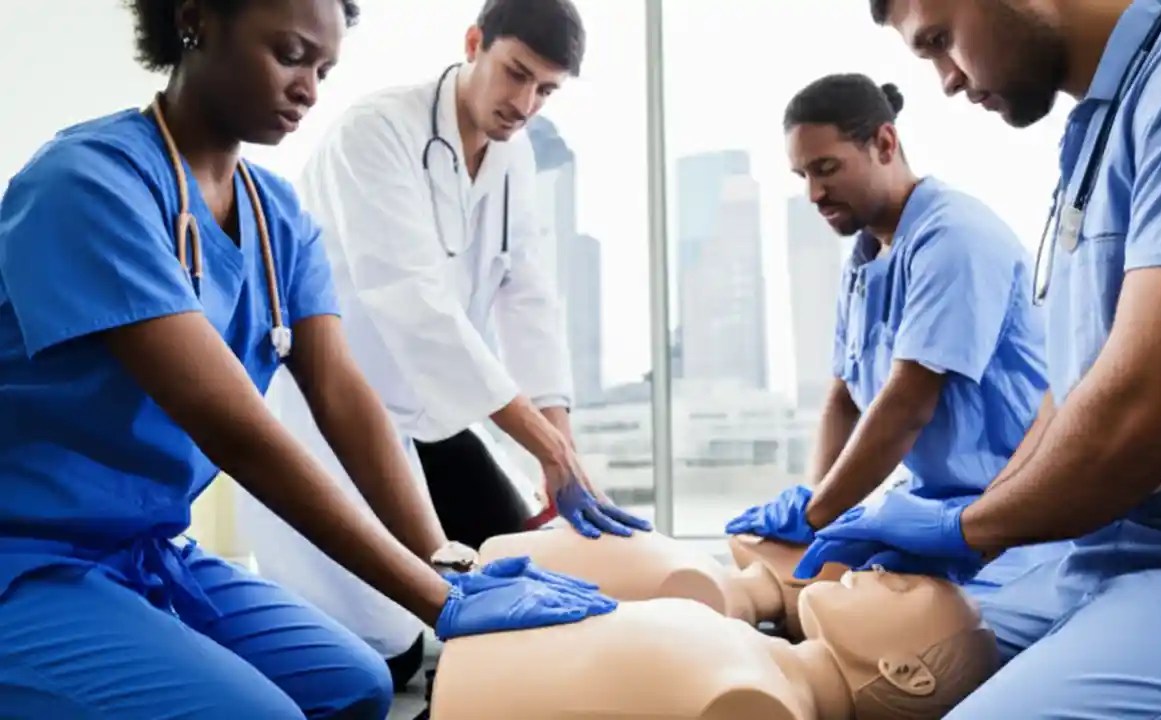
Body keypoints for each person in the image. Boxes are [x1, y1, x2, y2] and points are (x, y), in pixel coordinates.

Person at [0, 1, 617, 718]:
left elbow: (341, 390)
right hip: (26, 559)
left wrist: (445, 559)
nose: (310, 90)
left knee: (354, 685)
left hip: (145, 551)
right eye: (291, 56)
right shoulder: (88, 185)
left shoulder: (276, 215)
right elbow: (232, 427)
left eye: (324, 69)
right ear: (195, 20)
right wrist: (435, 597)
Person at [799, 0, 1161, 716]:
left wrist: (966, 528)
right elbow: (1073, 389)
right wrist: (980, 535)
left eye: (940, 42)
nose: (948, 81)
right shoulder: (1095, 137)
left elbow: (1145, 414)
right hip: (1098, 555)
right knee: (863, 672)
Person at [237, 0, 651, 688]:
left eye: (545, 90)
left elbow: (531, 298)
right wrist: (541, 446)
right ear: (473, 43)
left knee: (516, 562)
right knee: (384, 658)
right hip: (326, 419)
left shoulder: (513, 160)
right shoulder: (376, 133)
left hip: (426, 413)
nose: (524, 104)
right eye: (515, 74)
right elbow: (414, 307)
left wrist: (562, 445)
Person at [724, 74, 1066, 592]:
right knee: (789, 591)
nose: (815, 193)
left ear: (885, 144)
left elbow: (907, 405)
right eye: (802, 176)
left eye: (827, 168)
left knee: (895, 643)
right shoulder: (865, 258)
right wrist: (817, 512)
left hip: (1013, 522)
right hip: (935, 509)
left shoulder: (953, 237)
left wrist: (817, 515)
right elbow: (843, 401)